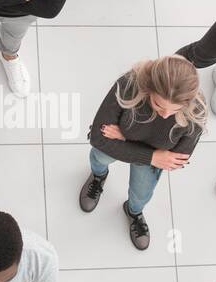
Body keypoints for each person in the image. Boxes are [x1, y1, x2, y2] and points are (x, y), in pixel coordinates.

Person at [81, 55, 206, 250]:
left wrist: (125, 138)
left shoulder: (196, 112)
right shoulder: (129, 84)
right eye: (158, 105)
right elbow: (98, 138)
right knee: (99, 156)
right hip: (150, 159)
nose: (165, 115)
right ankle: (99, 176)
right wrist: (154, 156)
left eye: (174, 111)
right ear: (148, 90)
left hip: (135, 152)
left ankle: (133, 212)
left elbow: (176, 161)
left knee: (141, 194)